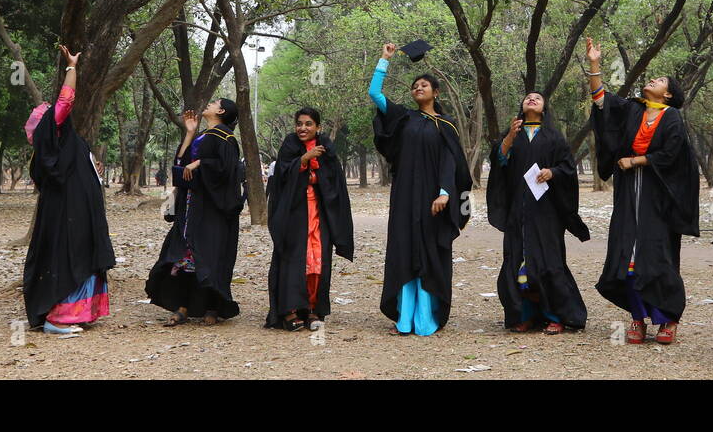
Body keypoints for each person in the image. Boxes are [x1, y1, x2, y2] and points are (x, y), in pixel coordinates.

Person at [585, 37, 699, 345]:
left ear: (669, 94)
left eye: (660, 80)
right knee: (628, 256)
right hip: (627, 196)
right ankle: (637, 318)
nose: (652, 79)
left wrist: (637, 159)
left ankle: (667, 319)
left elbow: (673, 153)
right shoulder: (632, 110)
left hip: (658, 197)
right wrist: (595, 63)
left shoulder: (671, 117)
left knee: (657, 256)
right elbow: (601, 102)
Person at [369, 42, 472, 336]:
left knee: (428, 252)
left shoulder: (446, 126)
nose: (418, 87)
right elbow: (375, 94)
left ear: (436, 92)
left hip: (432, 199)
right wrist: (384, 59)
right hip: (403, 197)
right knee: (403, 250)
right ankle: (404, 319)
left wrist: (445, 192)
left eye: (425, 84)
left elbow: (451, 163)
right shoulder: (403, 118)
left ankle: (427, 318)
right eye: (415, 85)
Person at [22, 47, 115, 335]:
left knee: (85, 254)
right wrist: (71, 68)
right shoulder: (52, 136)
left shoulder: (69, 141)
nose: (55, 113)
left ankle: (80, 311)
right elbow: (66, 100)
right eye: (49, 115)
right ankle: (57, 318)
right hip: (67, 212)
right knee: (69, 256)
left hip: (82, 210)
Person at [486, 92, 590, 333]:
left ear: (544, 109)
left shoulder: (554, 137)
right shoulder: (513, 134)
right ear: (521, 106)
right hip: (518, 212)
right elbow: (499, 161)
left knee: (548, 262)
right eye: (528, 97)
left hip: (546, 213)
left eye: (537, 98)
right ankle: (525, 315)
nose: (531, 99)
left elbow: (567, 168)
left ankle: (555, 315)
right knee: (517, 261)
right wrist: (510, 137)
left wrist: (552, 172)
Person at [146, 99, 245, 326]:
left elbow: (227, 170)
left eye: (214, 103)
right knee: (185, 256)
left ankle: (213, 306)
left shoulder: (227, 138)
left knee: (210, 256)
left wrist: (200, 162)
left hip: (213, 210)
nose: (208, 104)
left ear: (221, 111)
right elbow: (181, 164)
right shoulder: (202, 136)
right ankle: (182, 306)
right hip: (190, 207)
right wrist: (190, 134)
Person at [265, 107, 355, 331]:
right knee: (294, 260)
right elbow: (281, 180)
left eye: (308, 124)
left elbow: (334, 182)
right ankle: (290, 310)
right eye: (299, 124)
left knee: (318, 261)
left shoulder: (326, 147)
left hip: (320, 213)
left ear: (318, 127)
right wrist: (303, 160)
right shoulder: (289, 145)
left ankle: (313, 311)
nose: (302, 128)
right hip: (294, 215)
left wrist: (317, 174)